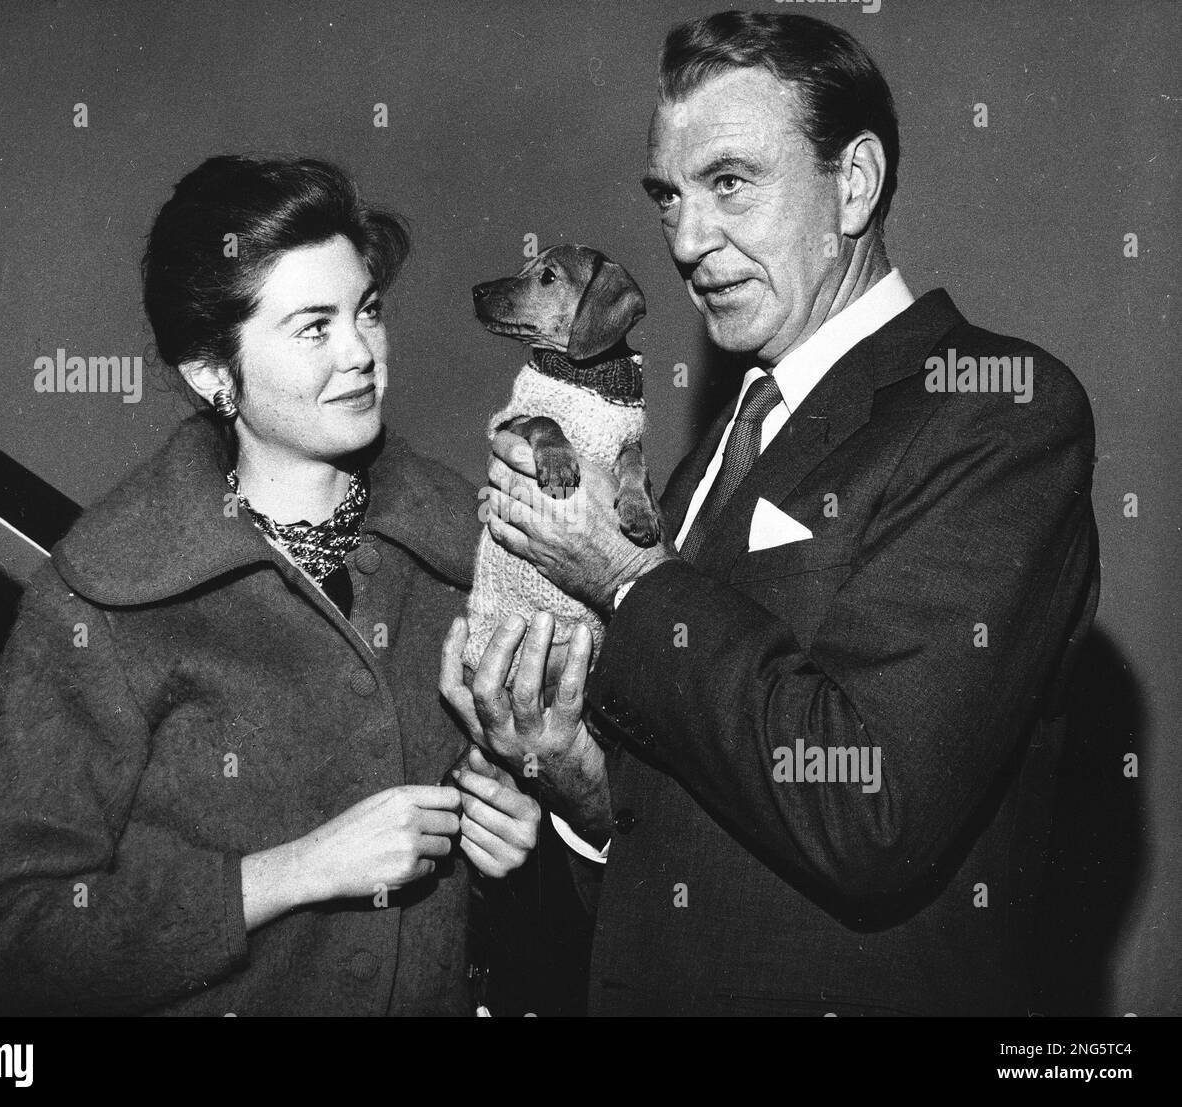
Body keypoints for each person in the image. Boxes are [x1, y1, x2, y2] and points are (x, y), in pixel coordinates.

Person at [443, 11, 1099, 1016]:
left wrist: (626, 581)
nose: (688, 241)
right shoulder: (713, 454)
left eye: (730, 184)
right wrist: (572, 776)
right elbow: (694, 815)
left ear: (853, 183)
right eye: (668, 195)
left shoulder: (995, 409)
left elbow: (869, 803)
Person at [0, 155, 539, 1016]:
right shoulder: (104, 597)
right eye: (313, 326)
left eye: (368, 310)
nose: (361, 353)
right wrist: (288, 873)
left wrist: (513, 847)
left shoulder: (470, 546)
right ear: (213, 372)